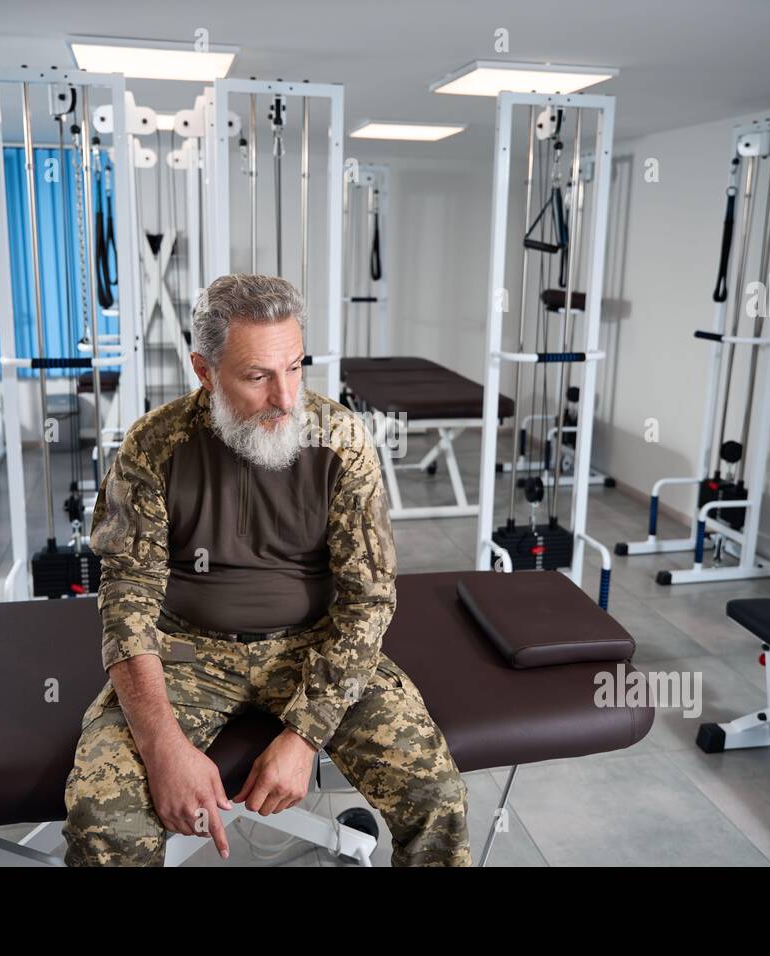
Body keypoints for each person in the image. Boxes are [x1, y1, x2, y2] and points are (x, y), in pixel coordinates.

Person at [62, 273, 470, 866]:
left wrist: (305, 735)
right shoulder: (153, 447)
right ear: (203, 371)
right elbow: (127, 601)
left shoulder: (342, 442)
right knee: (103, 821)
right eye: (257, 376)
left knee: (436, 796)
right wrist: (162, 747)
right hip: (183, 650)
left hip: (315, 646)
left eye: (295, 367)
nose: (285, 397)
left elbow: (368, 602)